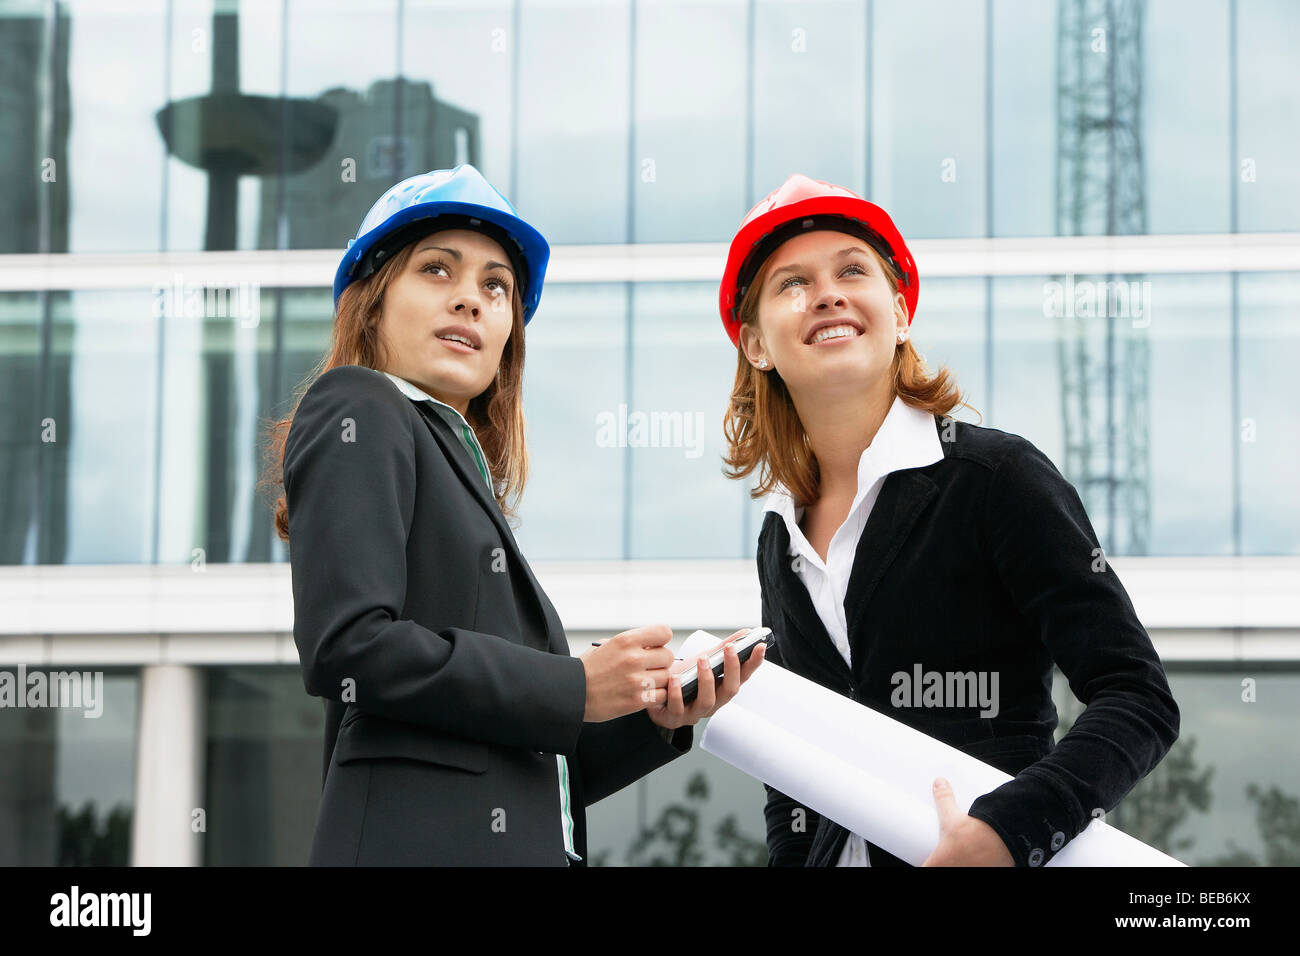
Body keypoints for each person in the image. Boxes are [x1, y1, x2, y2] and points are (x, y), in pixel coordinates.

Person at [265, 164, 764, 866]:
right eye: (437, 270)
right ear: (370, 304)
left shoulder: (456, 475)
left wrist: (655, 714)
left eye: (495, 285)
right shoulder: (360, 404)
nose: (470, 299)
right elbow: (348, 646)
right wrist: (572, 684)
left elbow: (528, 769)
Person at [717, 172, 1180, 867]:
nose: (828, 293)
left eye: (852, 270)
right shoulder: (779, 534)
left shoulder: (997, 480)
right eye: (792, 283)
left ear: (900, 312)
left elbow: (1138, 697)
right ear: (756, 345)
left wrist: (1006, 832)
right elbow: (794, 765)